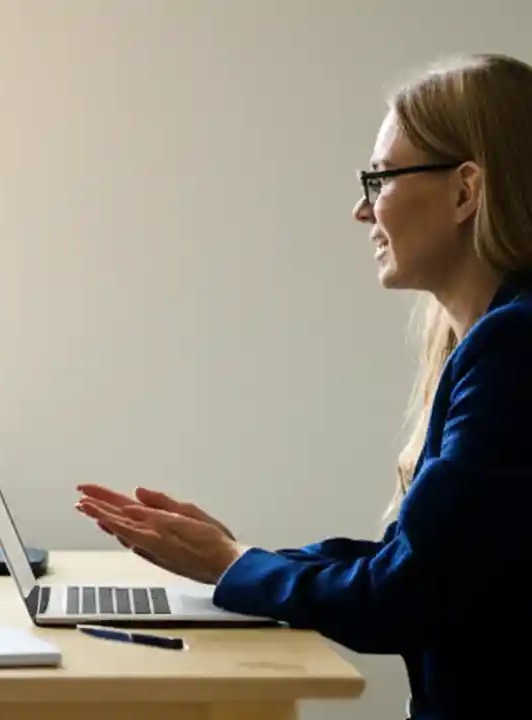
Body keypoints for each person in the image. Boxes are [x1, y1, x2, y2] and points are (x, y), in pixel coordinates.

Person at [74, 52, 532, 719]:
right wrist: (237, 560)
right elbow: (418, 562)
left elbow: (407, 595)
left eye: (379, 179)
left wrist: (235, 563)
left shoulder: (513, 349)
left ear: (466, 191)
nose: (360, 209)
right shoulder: (493, 342)